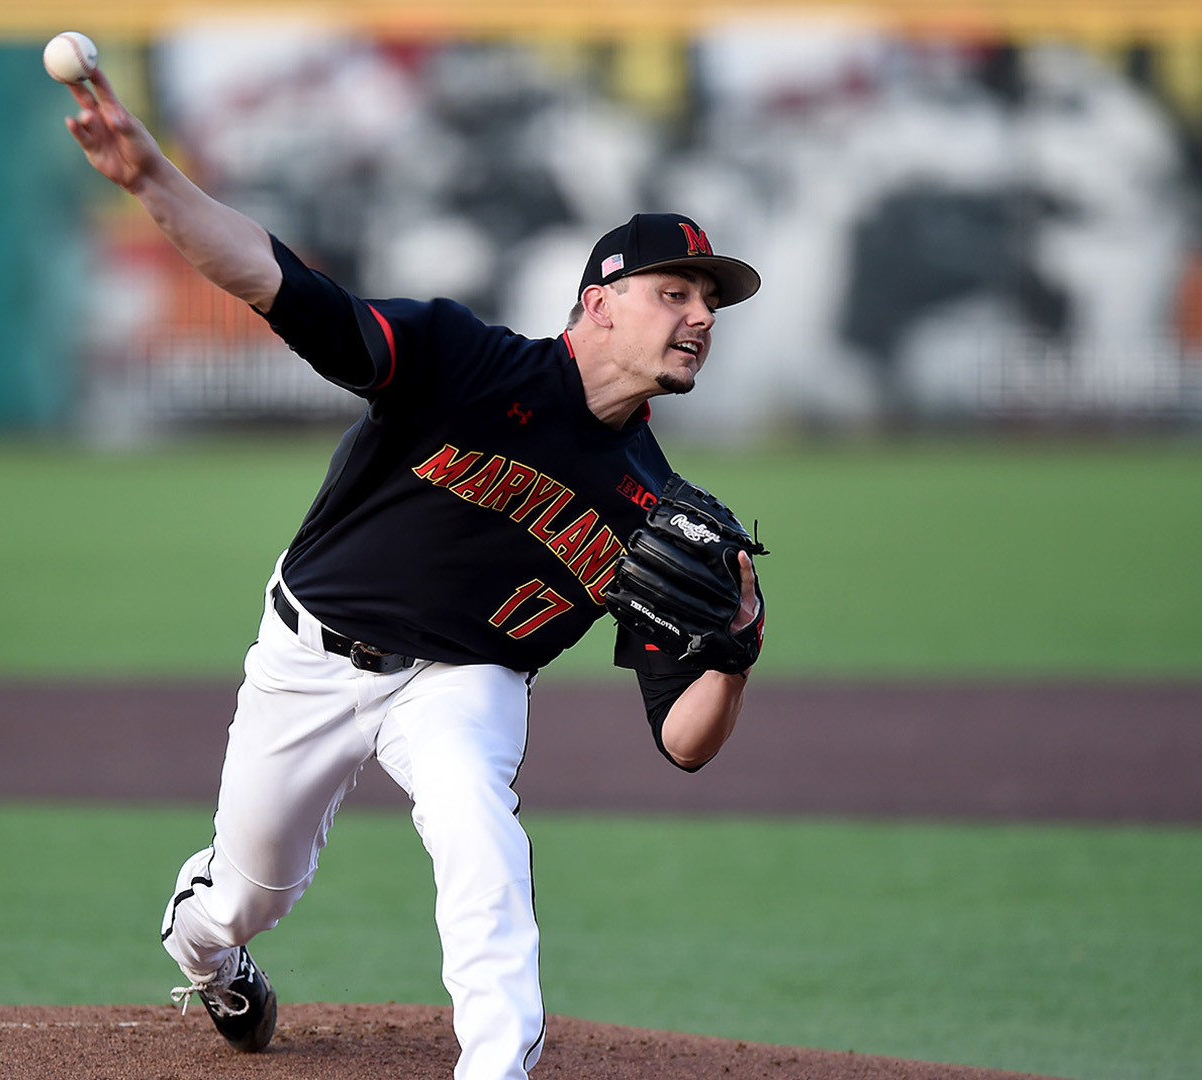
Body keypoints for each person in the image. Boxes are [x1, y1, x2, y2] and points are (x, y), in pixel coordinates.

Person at [62, 66, 764, 1079]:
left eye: (710, 301)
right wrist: (155, 184)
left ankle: (494, 1067)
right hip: (312, 651)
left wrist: (735, 653)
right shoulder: (462, 361)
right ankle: (209, 947)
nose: (699, 314)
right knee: (247, 896)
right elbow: (280, 284)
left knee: (478, 832)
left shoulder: (659, 514)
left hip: (464, 682)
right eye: (675, 292)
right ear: (597, 304)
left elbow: (683, 743)